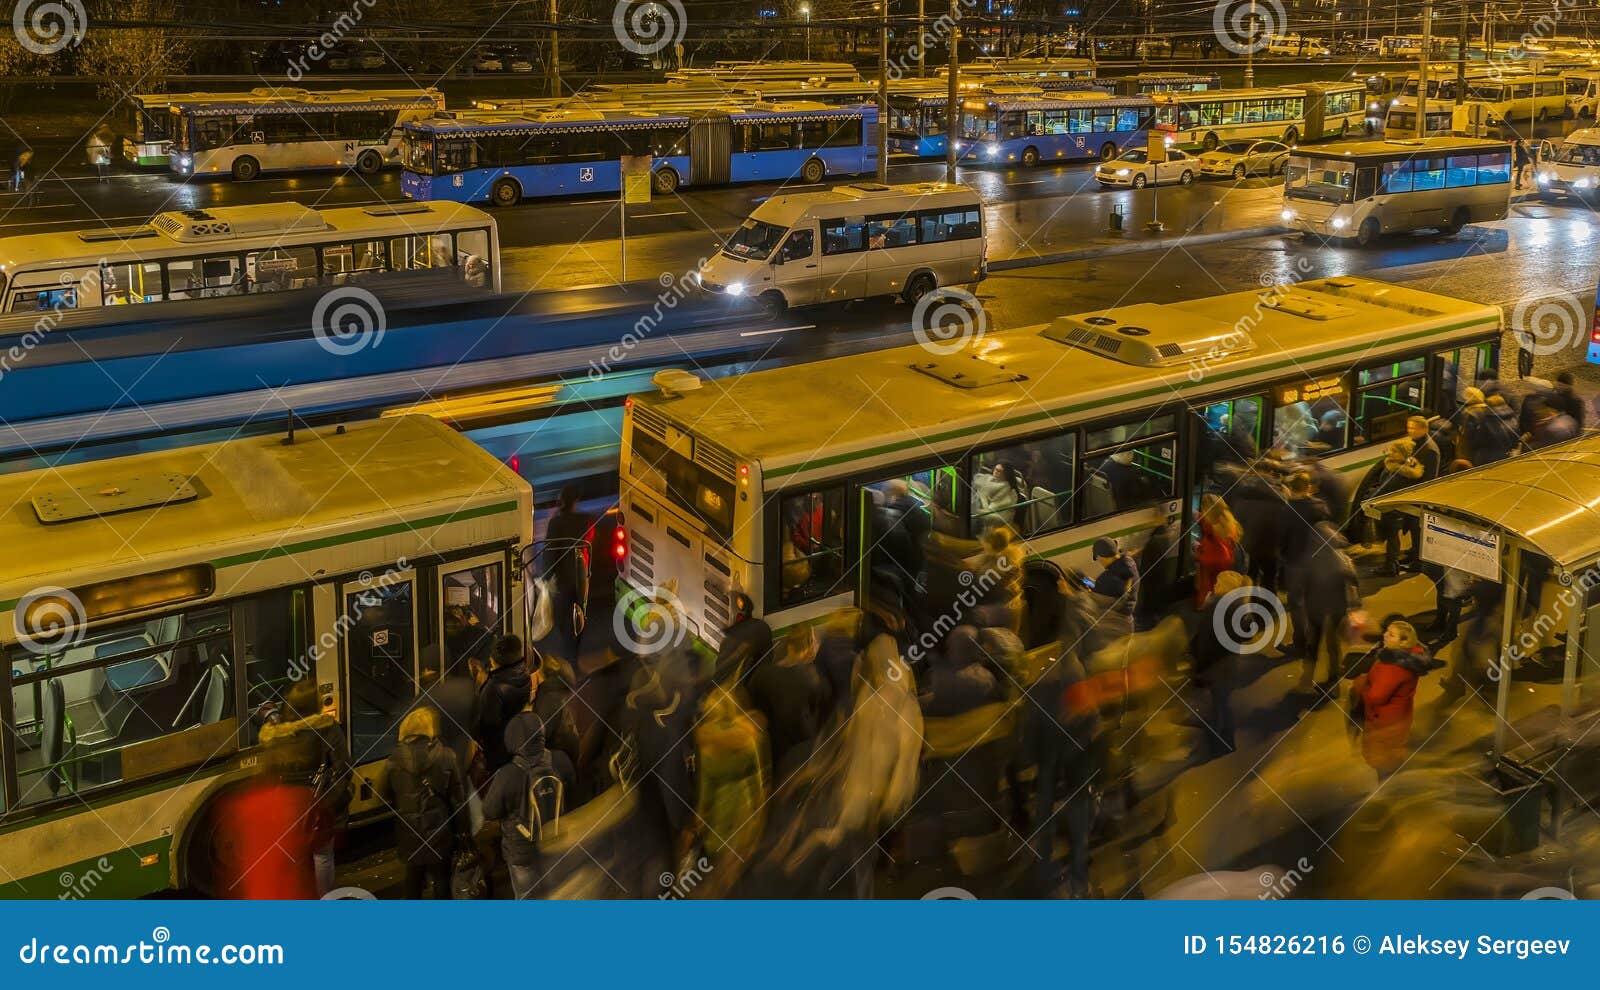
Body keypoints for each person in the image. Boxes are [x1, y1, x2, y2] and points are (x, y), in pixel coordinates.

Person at [257, 680, 353, 895]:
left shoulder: (277, 735)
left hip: (287, 809)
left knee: (294, 858)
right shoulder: (327, 729)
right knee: (323, 856)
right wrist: (332, 802)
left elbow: (268, 775)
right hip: (319, 806)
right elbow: (343, 768)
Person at [383, 706, 471, 899]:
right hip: (439, 833)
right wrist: (463, 834)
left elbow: (386, 797)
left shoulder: (393, 761)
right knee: (441, 879)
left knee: (412, 879)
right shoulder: (446, 756)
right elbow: (458, 801)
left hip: (409, 833)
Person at [1349, 620, 1441, 780]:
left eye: (1391, 635)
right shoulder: (1408, 660)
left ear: (1403, 642)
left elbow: (1376, 696)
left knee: (1383, 760)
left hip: (1383, 720)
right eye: (1387, 631)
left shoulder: (1392, 667)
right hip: (1399, 716)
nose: (1385, 635)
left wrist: (1361, 685)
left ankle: (1387, 789)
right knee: (1391, 755)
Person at [481, 710, 557, 899]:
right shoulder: (558, 762)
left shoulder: (508, 774)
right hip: (555, 844)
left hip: (521, 852)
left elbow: (489, 811)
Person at [1285, 522, 1362, 693]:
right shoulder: (1342, 558)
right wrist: (1355, 604)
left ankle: (1306, 679)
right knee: (1333, 644)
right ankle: (1334, 681)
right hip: (1337, 608)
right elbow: (1354, 582)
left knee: (1313, 641)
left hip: (1314, 608)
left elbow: (1298, 585)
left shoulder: (1309, 559)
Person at [746, 623, 829, 779]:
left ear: (789, 646)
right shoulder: (811, 679)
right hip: (799, 755)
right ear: (808, 648)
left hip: (770, 751)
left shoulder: (762, 676)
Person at [543, 486, 593, 663]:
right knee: (579, 613)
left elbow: (550, 552)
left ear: (562, 500)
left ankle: (568, 655)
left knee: (563, 618)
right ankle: (574, 652)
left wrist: (547, 577)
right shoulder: (585, 520)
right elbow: (589, 543)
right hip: (581, 577)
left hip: (563, 579)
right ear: (576, 501)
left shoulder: (555, 522)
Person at [477, 635, 532, 773]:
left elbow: (487, 724)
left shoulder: (493, 688)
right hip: (517, 744)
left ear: (496, 660)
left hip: (498, 752)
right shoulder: (524, 674)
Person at [1195, 494, 1243, 605]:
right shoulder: (1229, 520)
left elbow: (1207, 561)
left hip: (1215, 571)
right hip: (1227, 565)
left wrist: (1198, 554)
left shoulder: (1210, 528)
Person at [1089, 535, 1139, 619]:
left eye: (1098, 558)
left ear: (1101, 557)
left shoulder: (1106, 579)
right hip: (1129, 614)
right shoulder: (1130, 562)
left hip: (1114, 621)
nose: (1099, 561)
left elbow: (1095, 597)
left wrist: (1087, 583)